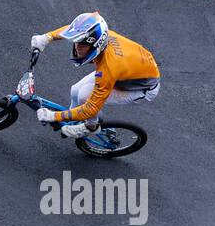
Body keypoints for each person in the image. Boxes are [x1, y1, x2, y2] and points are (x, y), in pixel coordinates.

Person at [19, 11, 159, 138]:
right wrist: (46, 37)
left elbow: (91, 107)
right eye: (77, 42)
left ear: (96, 45)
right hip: (129, 69)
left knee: (84, 96)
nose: (77, 48)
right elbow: (74, 30)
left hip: (141, 88)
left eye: (83, 45)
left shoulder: (108, 69)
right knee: (75, 90)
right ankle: (74, 119)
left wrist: (54, 116)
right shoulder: (100, 35)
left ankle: (91, 127)